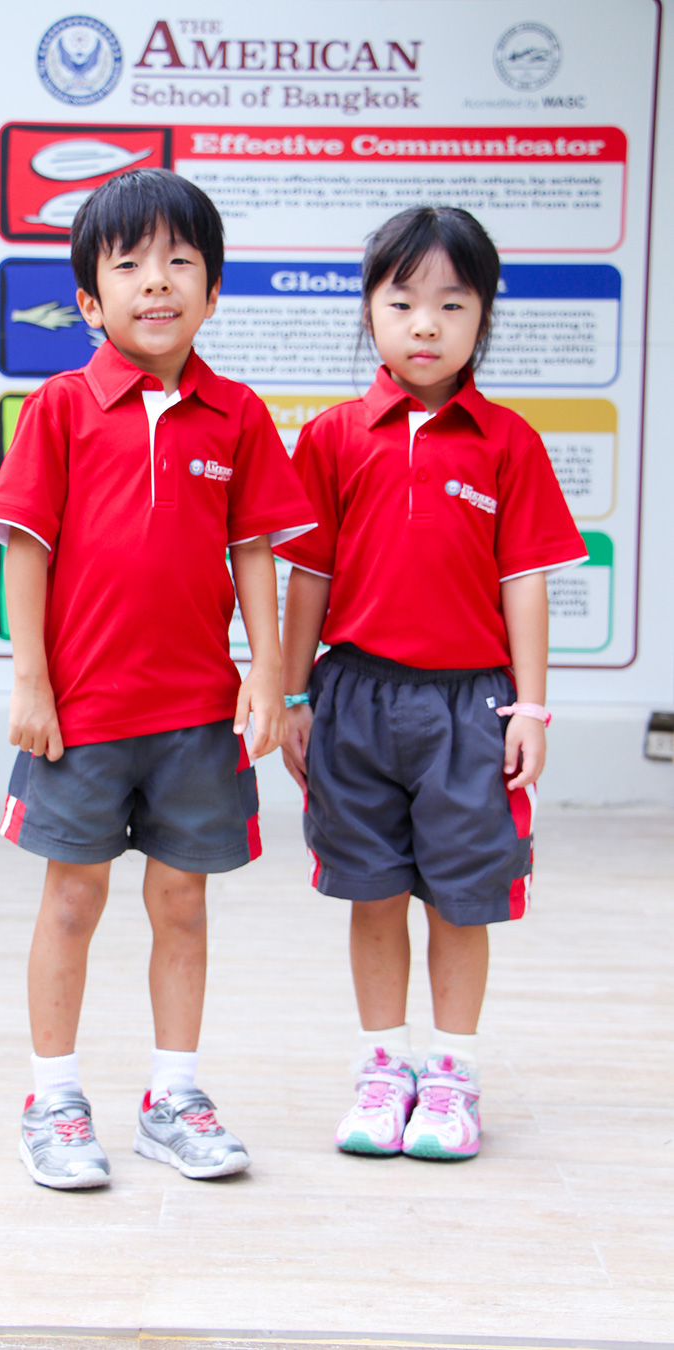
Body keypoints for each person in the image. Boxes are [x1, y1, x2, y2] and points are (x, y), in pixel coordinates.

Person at [0, 169, 314, 1189]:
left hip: (195, 716)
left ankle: (174, 1095)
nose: (157, 282)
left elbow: (256, 547)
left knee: (182, 905)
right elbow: (24, 548)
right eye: (130, 265)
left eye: (181, 263)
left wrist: (265, 674)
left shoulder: (238, 416)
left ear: (213, 291)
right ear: (91, 298)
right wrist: (30, 682)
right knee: (72, 901)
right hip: (81, 714)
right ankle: (54, 1097)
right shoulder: (60, 408)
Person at [275, 206, 587, 1161]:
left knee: (461, 898)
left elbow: (523, 582)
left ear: (481, 317)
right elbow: (309, 581)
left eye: (452, 304)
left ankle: (451, 1077)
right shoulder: (331, 438)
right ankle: (383, 1070)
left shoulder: (509, 442)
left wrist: (530, 706)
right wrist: (293, 698)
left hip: (471, 708)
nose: (425, 324)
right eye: (402, 300)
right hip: (355, 700)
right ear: (369, 311)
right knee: (373, 893)